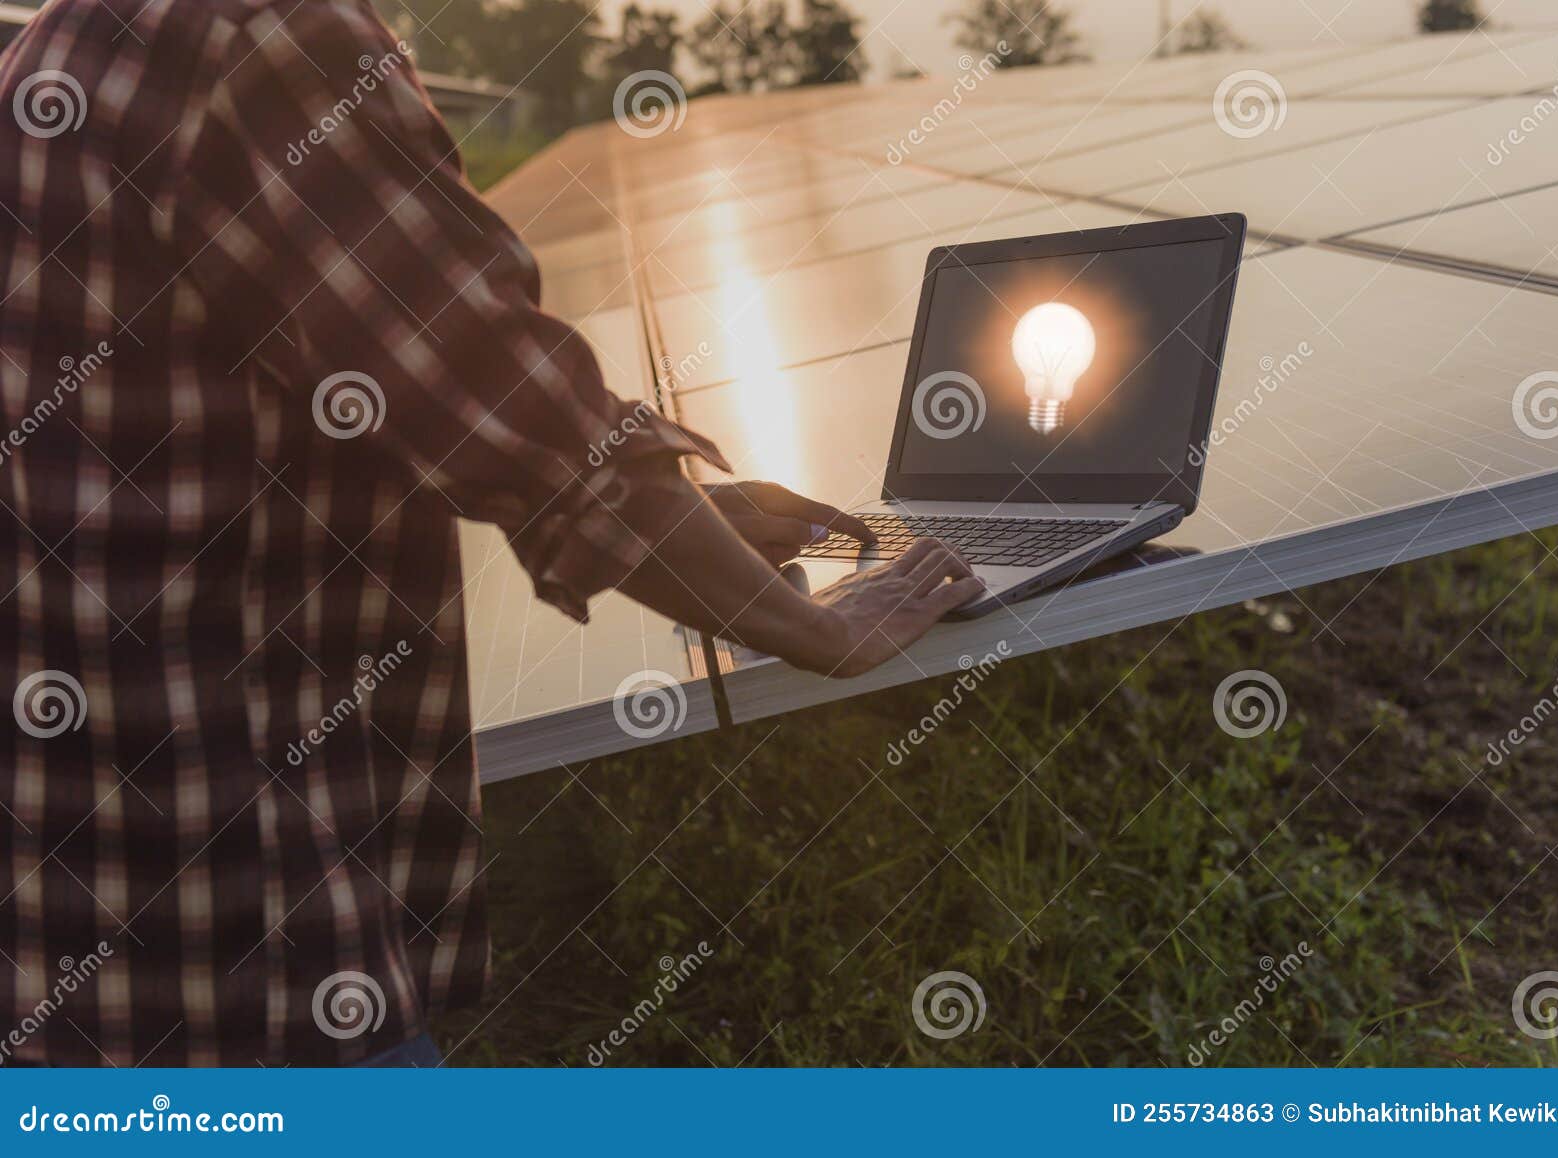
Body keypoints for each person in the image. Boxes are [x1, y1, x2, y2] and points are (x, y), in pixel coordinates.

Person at [0, 0, 978, 1065]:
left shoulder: (68, 38)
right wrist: (814, 627)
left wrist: (687, 517)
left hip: (80, 894)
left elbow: (296, 415)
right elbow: (509, 398)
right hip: (247, 939)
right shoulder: (261, 38)